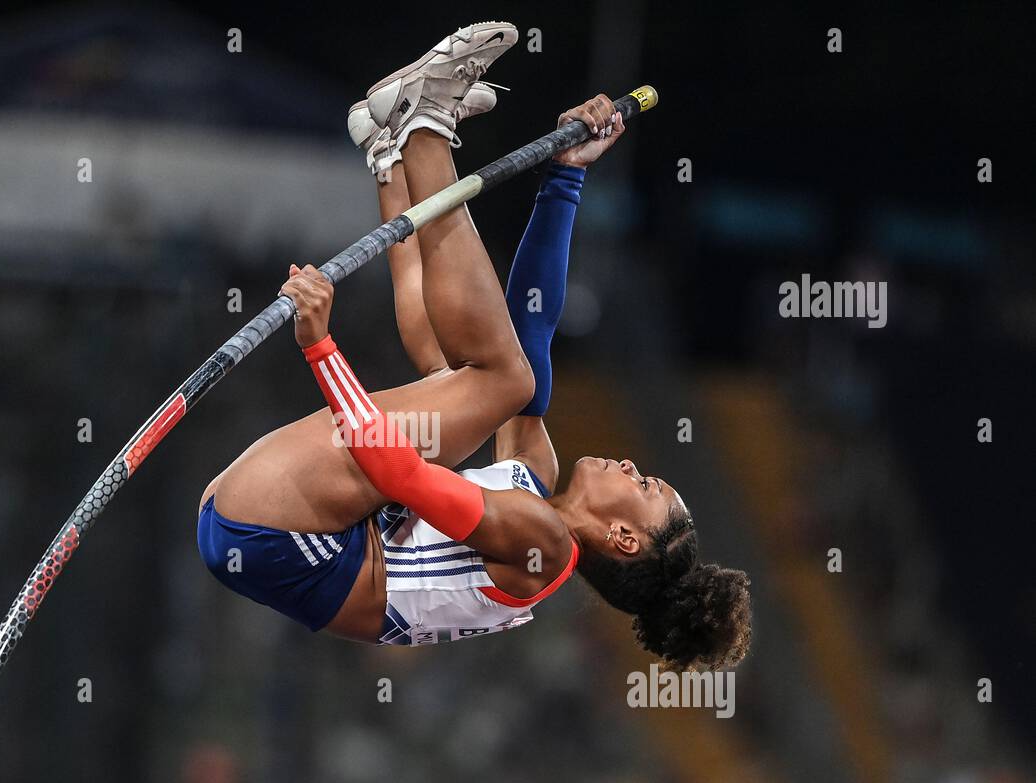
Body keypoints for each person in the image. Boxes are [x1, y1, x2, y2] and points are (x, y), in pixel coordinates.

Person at [198, 23, 750, 669]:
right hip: (266, 525)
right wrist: (565, 179)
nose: (634, 468)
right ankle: (391, 148)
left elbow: (395, 469)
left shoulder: (541, 546)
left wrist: (320, 345)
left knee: (498, 384)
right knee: (468, 374)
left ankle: (425, 124)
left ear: (623, 538)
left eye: (647, 483)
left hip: (288, 535)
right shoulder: (533, 482)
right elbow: (530, 324)